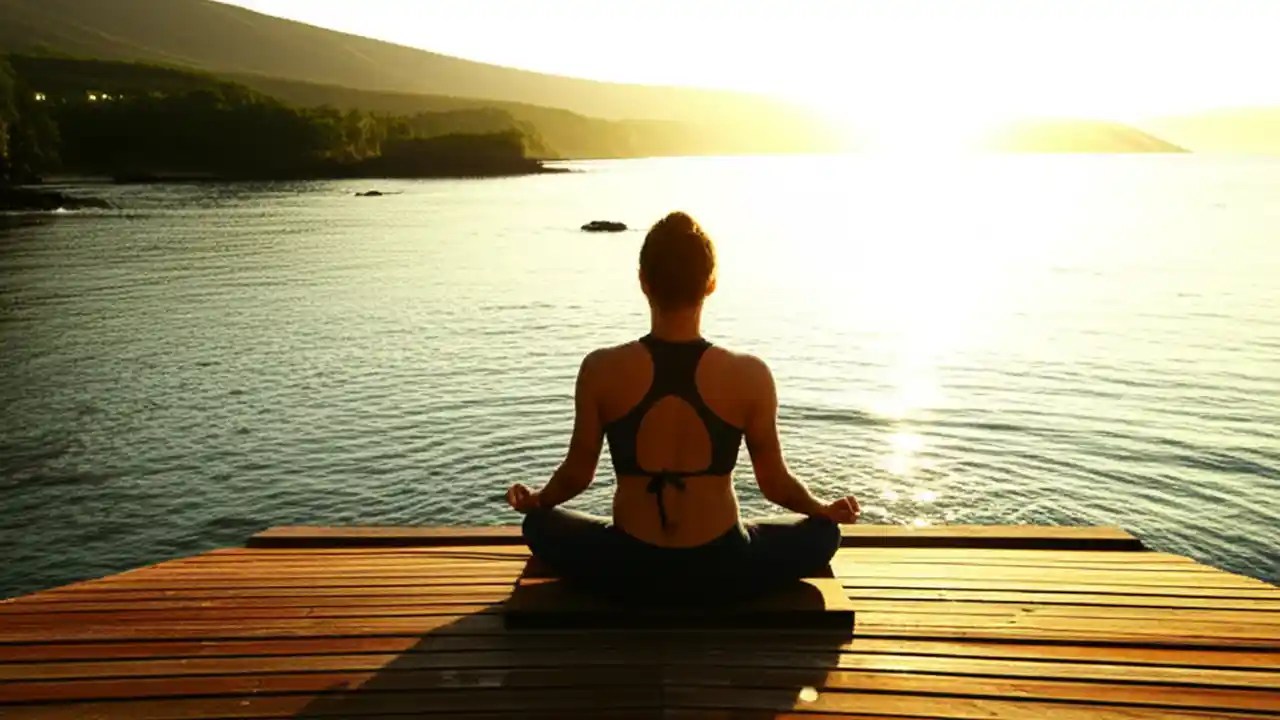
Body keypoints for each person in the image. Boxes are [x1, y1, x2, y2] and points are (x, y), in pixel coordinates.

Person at [507, 211, 859, 603]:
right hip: (724, 567)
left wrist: (538, 500)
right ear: (711, 283)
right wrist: (822, 509)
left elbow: (577, 475)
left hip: (627, 565)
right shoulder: (750, 374)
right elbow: (774, 483)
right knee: (826, 534)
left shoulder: (600, 369)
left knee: (537, 526)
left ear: (643, 281)